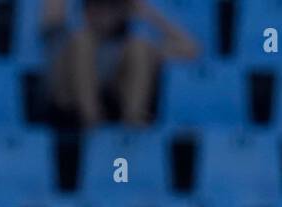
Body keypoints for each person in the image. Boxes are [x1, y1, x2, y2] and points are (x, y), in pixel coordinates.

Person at [42, 0, 199, 128]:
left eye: (110, 8)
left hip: (118, 110)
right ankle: (90, 117)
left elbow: (191, 49)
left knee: (141, 48)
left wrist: (146, 11)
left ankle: (134, 120)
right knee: (82, 42)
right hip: (69, 115)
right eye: (94, 7)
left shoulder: (127, 48)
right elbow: (53, 13)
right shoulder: (65, 39)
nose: (101, 14)